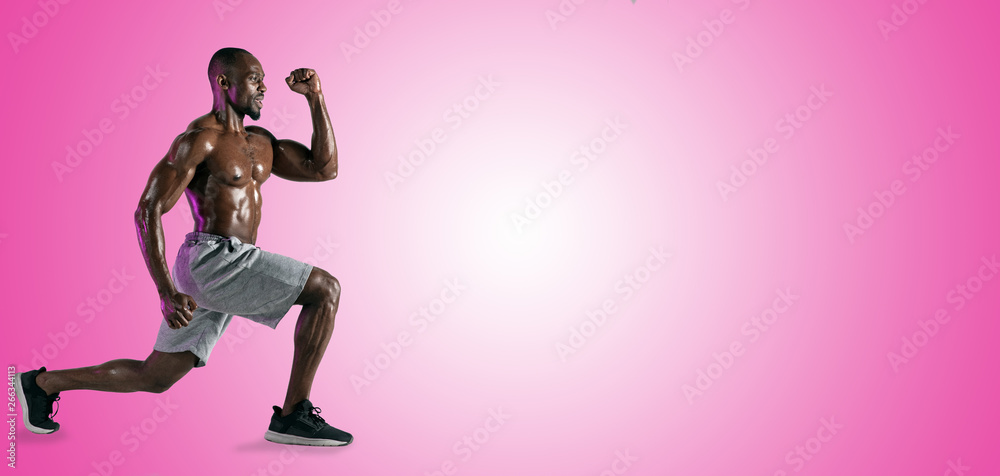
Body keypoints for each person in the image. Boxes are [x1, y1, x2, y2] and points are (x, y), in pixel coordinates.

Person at [14, 47, 351, 446]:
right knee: (325, 290)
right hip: (213, 258)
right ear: (224, 82)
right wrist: (165, 292)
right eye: (255, 79)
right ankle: (294, 414)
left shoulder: (261, 142)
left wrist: (316, 98)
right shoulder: (199, 140)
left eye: (263, 80)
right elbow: (147, 210)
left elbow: (323, 168)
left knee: (155, 377)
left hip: (224, 265)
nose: (264, 88)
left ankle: (41, 383)